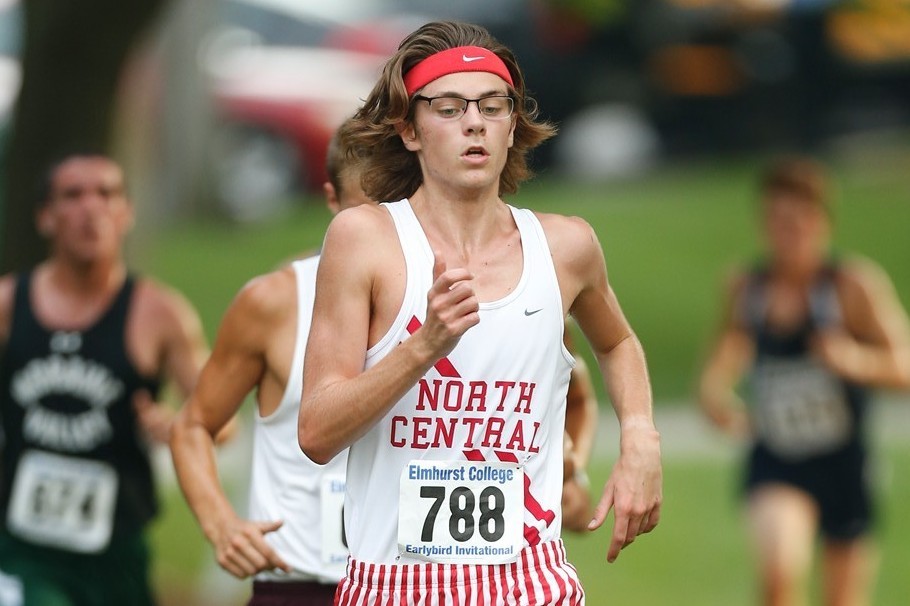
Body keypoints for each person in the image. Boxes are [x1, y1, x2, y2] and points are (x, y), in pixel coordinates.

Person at [298, 21, 662, 604]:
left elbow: (617, 344)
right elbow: (315, 431)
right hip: (395, 583)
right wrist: (421, 348)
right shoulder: (364, 240)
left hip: (530, 582)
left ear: (511, 125)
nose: (474, 122)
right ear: (408, 129)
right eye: (448, 107)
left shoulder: (565, 246)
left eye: (493, 106)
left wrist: (640, 435)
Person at [169, 126, 373, 606]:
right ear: (332, 201)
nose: (377, 234)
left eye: (397, 212)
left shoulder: (455, 300)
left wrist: (567, 473)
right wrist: (221, 526)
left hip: (422, 586)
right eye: (364, 213)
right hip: (300, 586)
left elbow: (564, 389)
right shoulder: (276, 303)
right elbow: (194, 424)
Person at [697, 155, 910, 606]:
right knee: (778, 574)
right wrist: (716, 394)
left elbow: (904, 365)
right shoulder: (747, 287)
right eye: (775, 221)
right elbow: (726, 352)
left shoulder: (851, 286)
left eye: (796, 222)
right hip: (778, 459)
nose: (786, 234)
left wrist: (855, 361)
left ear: (821, 223)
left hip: (845, 462)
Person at [0, 153, 209, 605]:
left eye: (106, 193)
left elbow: (222, 418)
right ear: (45, 217)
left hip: (118, 545)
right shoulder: (7, 305)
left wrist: (180, 424)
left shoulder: (160, 314)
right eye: (72, 195)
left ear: (126, 213)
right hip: (23, 545)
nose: (90, 208)